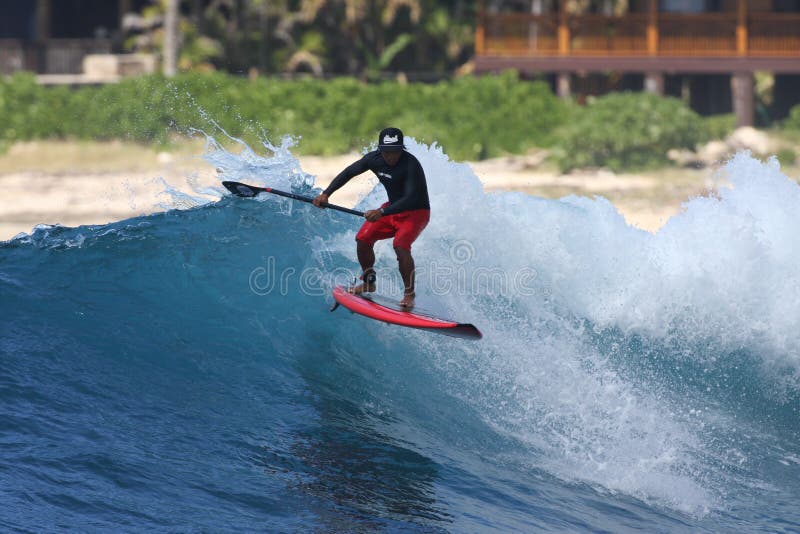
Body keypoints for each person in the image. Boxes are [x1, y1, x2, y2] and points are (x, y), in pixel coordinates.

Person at [313, 127, 430, 308]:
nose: (391, 156)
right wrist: (326, 193)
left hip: (416, 212)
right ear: (380, 150)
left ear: (402, 149)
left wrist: (381, 212)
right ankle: (369, 281)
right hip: (391, 210)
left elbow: (411, 198)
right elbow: (348, 173)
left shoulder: (411, 164)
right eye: (387, 152)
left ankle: (409, 294)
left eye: (395, 152)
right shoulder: (373, 159)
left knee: (400, 245)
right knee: (363, 239)